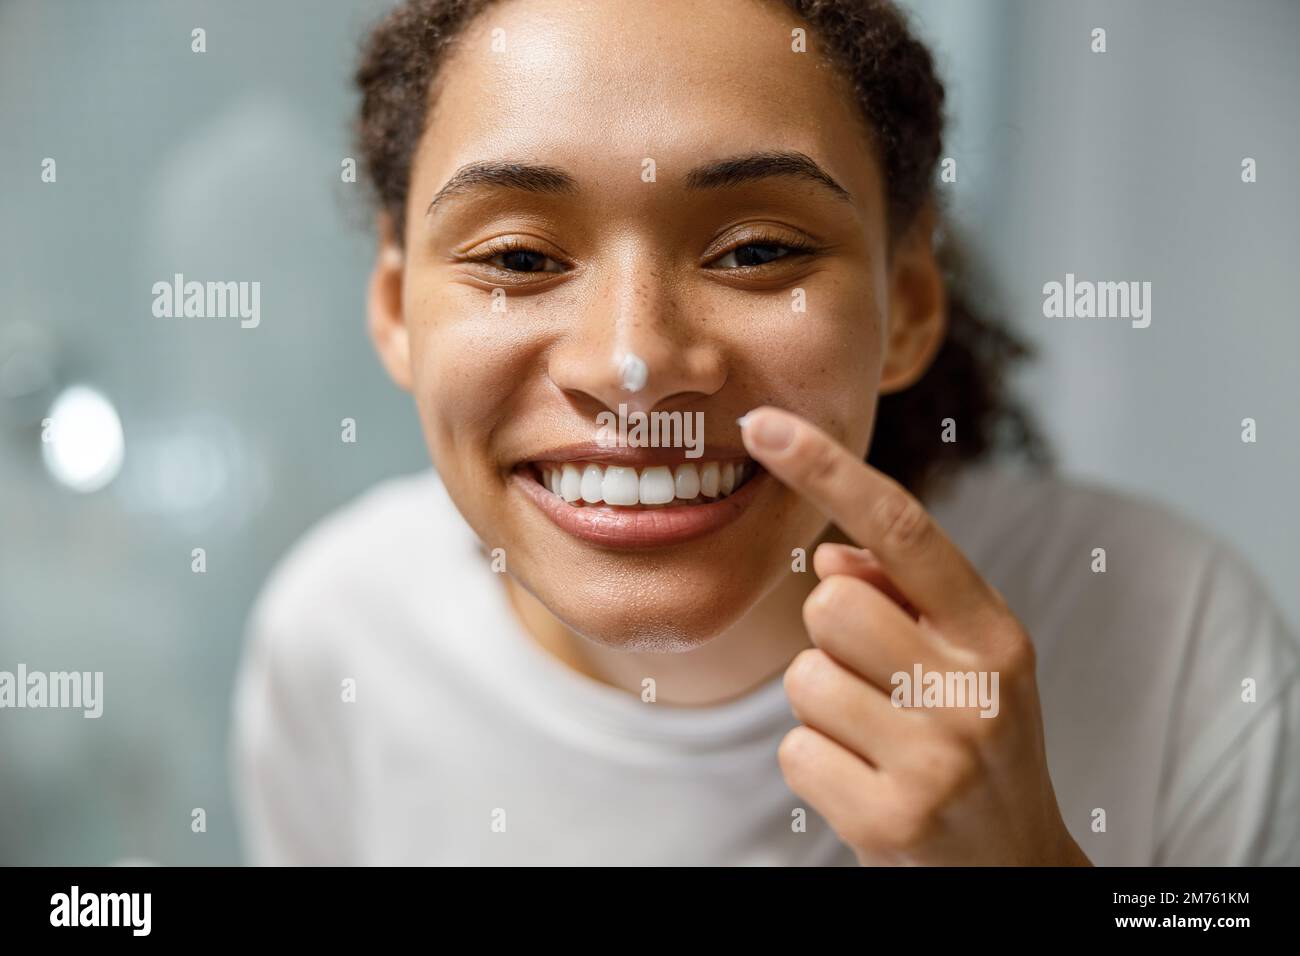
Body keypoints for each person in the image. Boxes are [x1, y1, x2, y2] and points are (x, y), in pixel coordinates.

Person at [229, 0, 1300, 865]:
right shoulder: (338, 635)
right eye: (518, 259)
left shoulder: (1174, 634)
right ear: (395, 306)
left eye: (752, 252)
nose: (632, 365)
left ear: (908, 299)